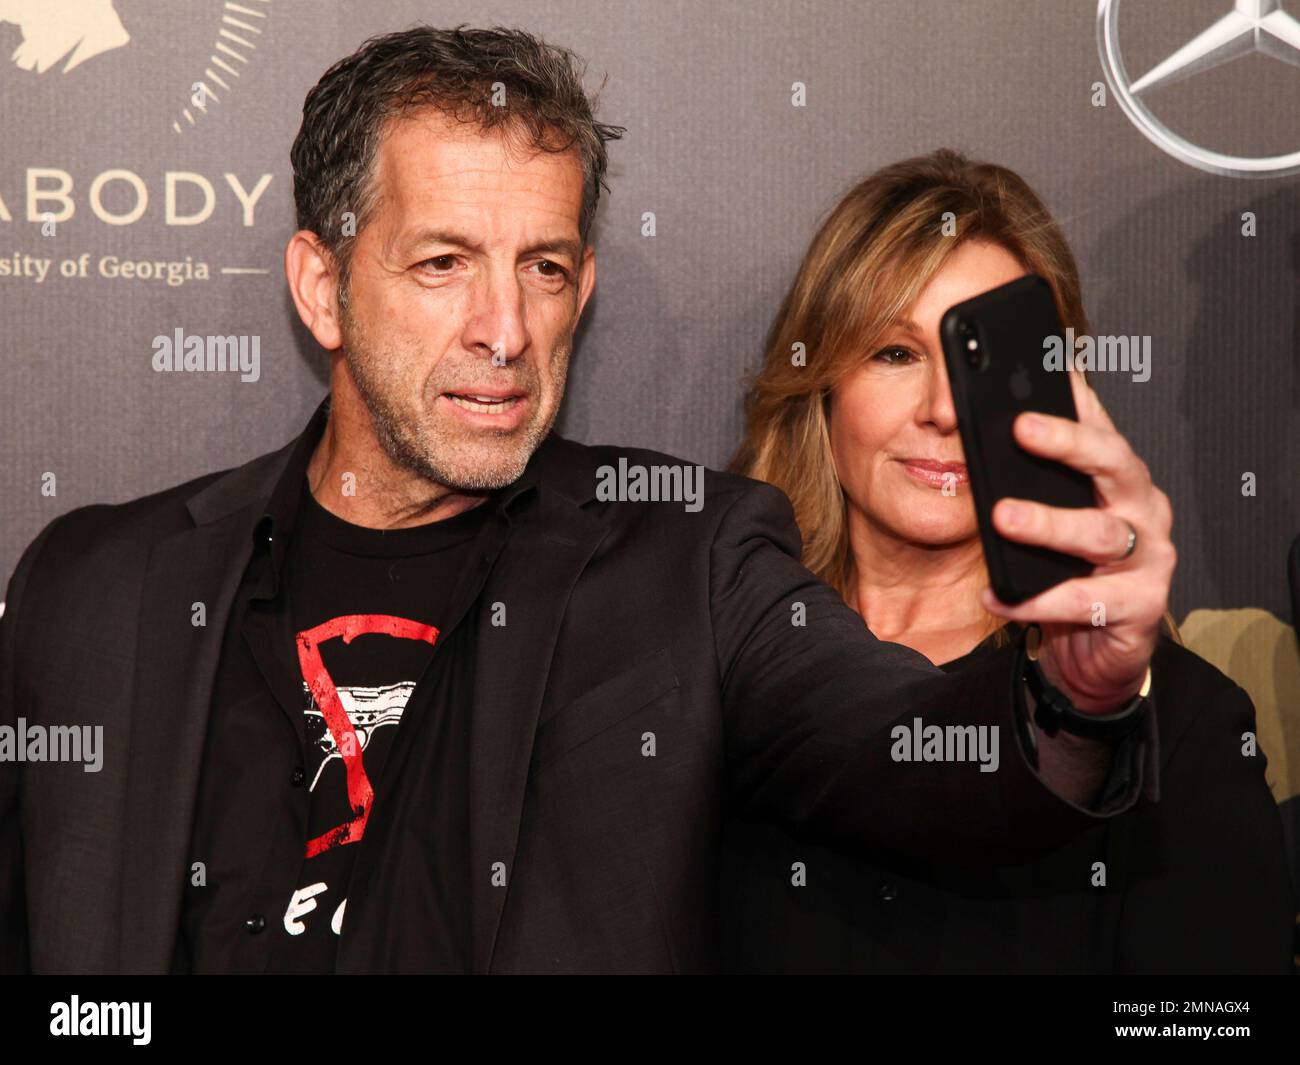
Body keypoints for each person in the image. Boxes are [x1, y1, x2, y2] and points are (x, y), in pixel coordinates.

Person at [0, 29, 1169, 975]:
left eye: (544, 268)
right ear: (322, 286)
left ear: (583, 288)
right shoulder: (97, 584)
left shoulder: (690, 560)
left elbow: (909, 754)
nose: (504, 331)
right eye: (442, 263)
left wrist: (1068, 697)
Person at [720, 149, 1294, 973]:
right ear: (821, 383)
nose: (945, 410)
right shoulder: (708, 669)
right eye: (894, 352)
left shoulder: (1176, 723)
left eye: (981, 363)